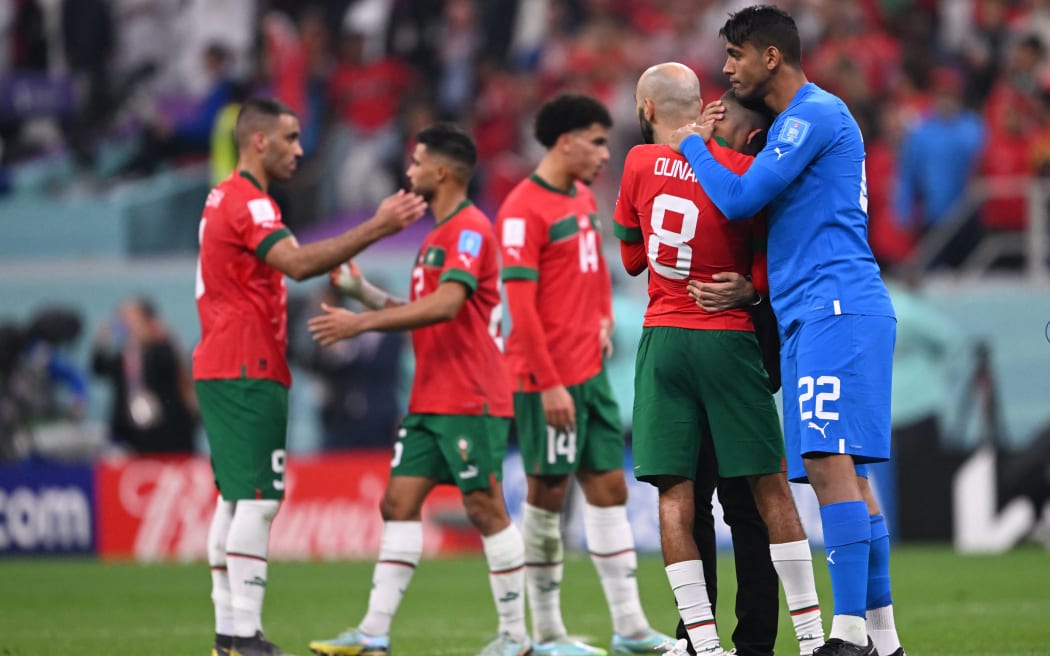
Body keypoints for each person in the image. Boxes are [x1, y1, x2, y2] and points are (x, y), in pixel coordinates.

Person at [669, 6, 906, 656]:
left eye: (735, 55)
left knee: (830, 463)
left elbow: (740, 199)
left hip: (836, 306)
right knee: (849, 474)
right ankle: (883, 641)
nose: (725, 69)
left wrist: (690, 142)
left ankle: (850, 634)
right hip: (813, 310)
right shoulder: (793, 127)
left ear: (769, 56)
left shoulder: (813, 113)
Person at [194, 97, 426, 656]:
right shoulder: (251, 204)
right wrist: (378, 225)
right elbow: (297, 266)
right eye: (290, 138)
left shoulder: (225, 197)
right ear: (258, 141)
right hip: (246, 365)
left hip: (228, 360)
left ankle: (230, 634)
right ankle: (244, 635)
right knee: (256, 501)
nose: (299, 150)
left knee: (234, 500)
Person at [616, 64, 823, 656]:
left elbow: (632, 257)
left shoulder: (633, 165)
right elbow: (770, 259)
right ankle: (809, 639)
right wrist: (749, 288)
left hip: (664, 336)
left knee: (677, 496)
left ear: (648, 110)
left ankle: (703, 645)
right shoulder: (748, 179)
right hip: (730, 338)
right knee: (768, 491)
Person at [306, 123, 529, 656]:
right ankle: (374, 633)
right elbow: (418, 314)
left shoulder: (471, 230)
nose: (408, 171)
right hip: (431, 397)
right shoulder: (434, 238)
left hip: (470, 394)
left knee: (484, 508)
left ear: (442, 172)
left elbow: (448, 305)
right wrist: (362, 293)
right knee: (397, 502)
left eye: (416, 162)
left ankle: (516, 638)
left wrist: (359, 326)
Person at [496, 93, 671, 656]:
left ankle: (630, 628)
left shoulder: (578, 197)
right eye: (597, 142)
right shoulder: (524, 208)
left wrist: (599, 320)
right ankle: (546, 631)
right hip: (547, 378)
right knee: (548, 494)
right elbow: (519, 305)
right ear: (565, 141)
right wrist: (548, 383)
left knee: (611, 486)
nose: (605, 153)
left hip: (589, 373)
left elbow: (594, 276)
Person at [91, 296, 199, 454]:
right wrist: (101, 341)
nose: (128, 325)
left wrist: (160, 335)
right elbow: (98, 369)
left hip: (168, 433)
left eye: (132, 319)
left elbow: (175, 365)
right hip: (131, 433)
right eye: (122, 319)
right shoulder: (123, 357)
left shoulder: (161, 349)